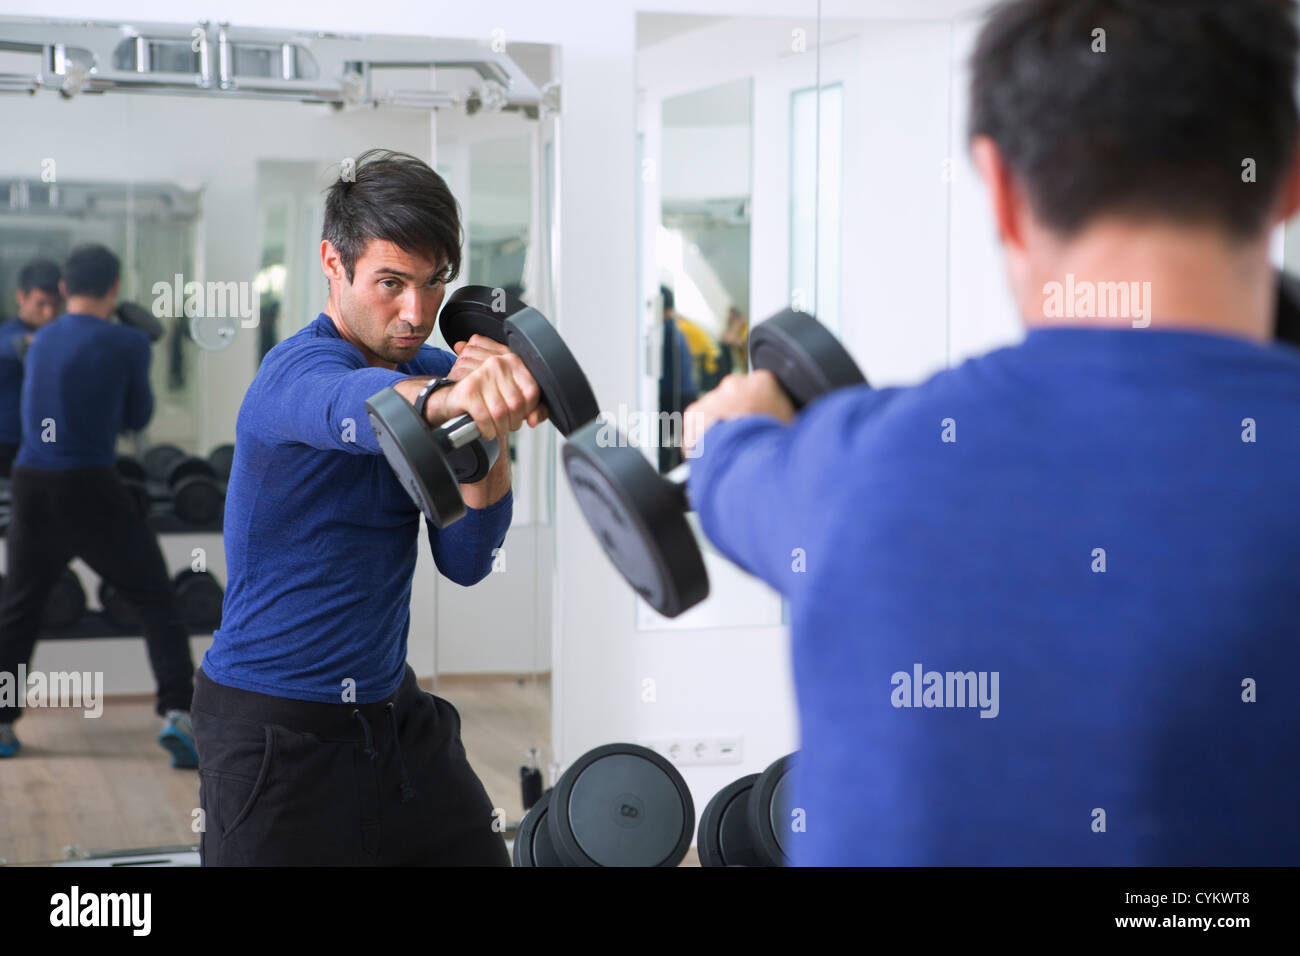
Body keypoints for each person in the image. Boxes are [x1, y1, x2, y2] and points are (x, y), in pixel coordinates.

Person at [682, 0, 1300, 865]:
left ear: (1002, 189)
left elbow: (724, 456)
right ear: (1287, 177)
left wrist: (732, 425)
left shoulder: (850, 470)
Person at [192, 149, 546, 866]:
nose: (417, 313)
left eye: (432, 283)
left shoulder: (433, 371)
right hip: (274, 729)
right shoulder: (294, 373)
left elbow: (470, 560)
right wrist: (458, 400)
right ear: (334, 262)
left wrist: (492, 431)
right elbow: (351, 409)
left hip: (393, 718)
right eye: (390, 282)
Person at [0, 245, 196, 764]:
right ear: (114, 287)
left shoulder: (38, 342)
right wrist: (142, 345)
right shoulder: (128, 342)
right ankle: (179, 714)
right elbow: (137, 417)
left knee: (19, 608)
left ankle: (1, 724)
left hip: (31, 482)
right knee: (156, 598)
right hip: (90, 486)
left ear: (64, 289)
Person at [0, 259, 62, 477]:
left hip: (46, 445)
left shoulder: (59, 334)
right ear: (20, 297)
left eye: (55, 305)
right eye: (41, 304)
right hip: (6, 449)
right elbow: (19, 344)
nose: (48, 313)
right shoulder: (7, 336)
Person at [658, 284, 698, 471]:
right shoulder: (677, 330)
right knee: (680, 445)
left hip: (672, 396)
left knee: (667, 446)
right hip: (686, 394)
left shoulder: (665, 332)